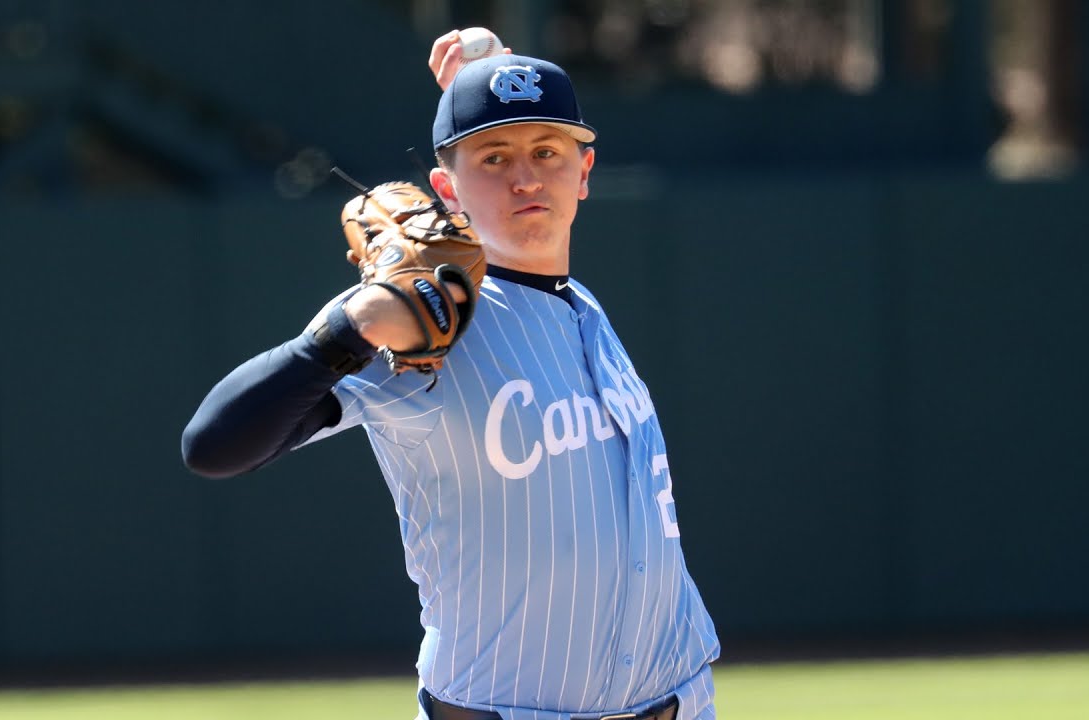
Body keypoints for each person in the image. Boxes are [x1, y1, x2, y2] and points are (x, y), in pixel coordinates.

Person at [182, 30, 720, 720]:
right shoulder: (422, 324)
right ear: (446, 188)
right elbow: (213, 445)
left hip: (682, 698)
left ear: (584, 171)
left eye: (546, 152)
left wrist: (492, 80)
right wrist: (348, 329)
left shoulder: (582, 305)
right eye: (493, 158)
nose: (526, 178)